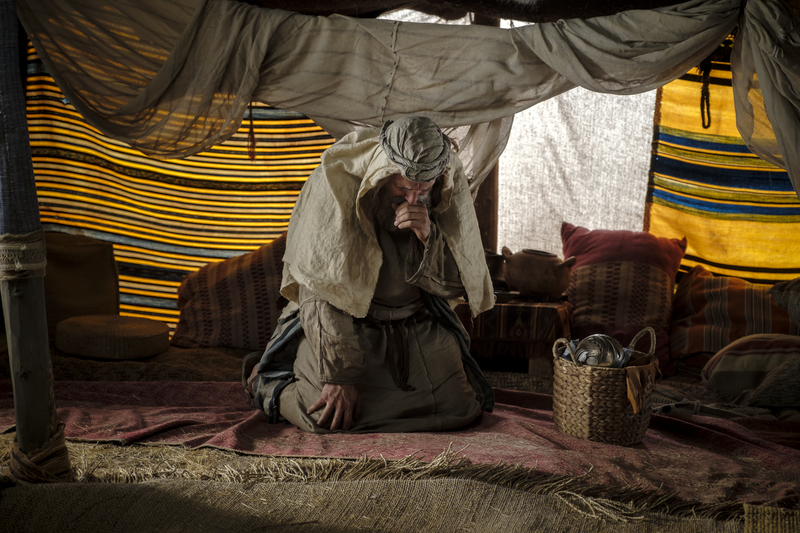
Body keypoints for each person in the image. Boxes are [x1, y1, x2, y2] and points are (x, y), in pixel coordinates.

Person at [245, 115, 495, 433]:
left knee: (461, 409)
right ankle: (266, 384)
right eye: (402, 187)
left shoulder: (445, 185)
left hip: (414, 326)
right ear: (382, 174)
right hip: (344, 328)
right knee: (326, 415)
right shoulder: (337, 182)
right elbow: (319, 292)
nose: (412, 200)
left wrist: (428, 236)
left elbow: (458, 285)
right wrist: (340, 377)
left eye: (423, 189)